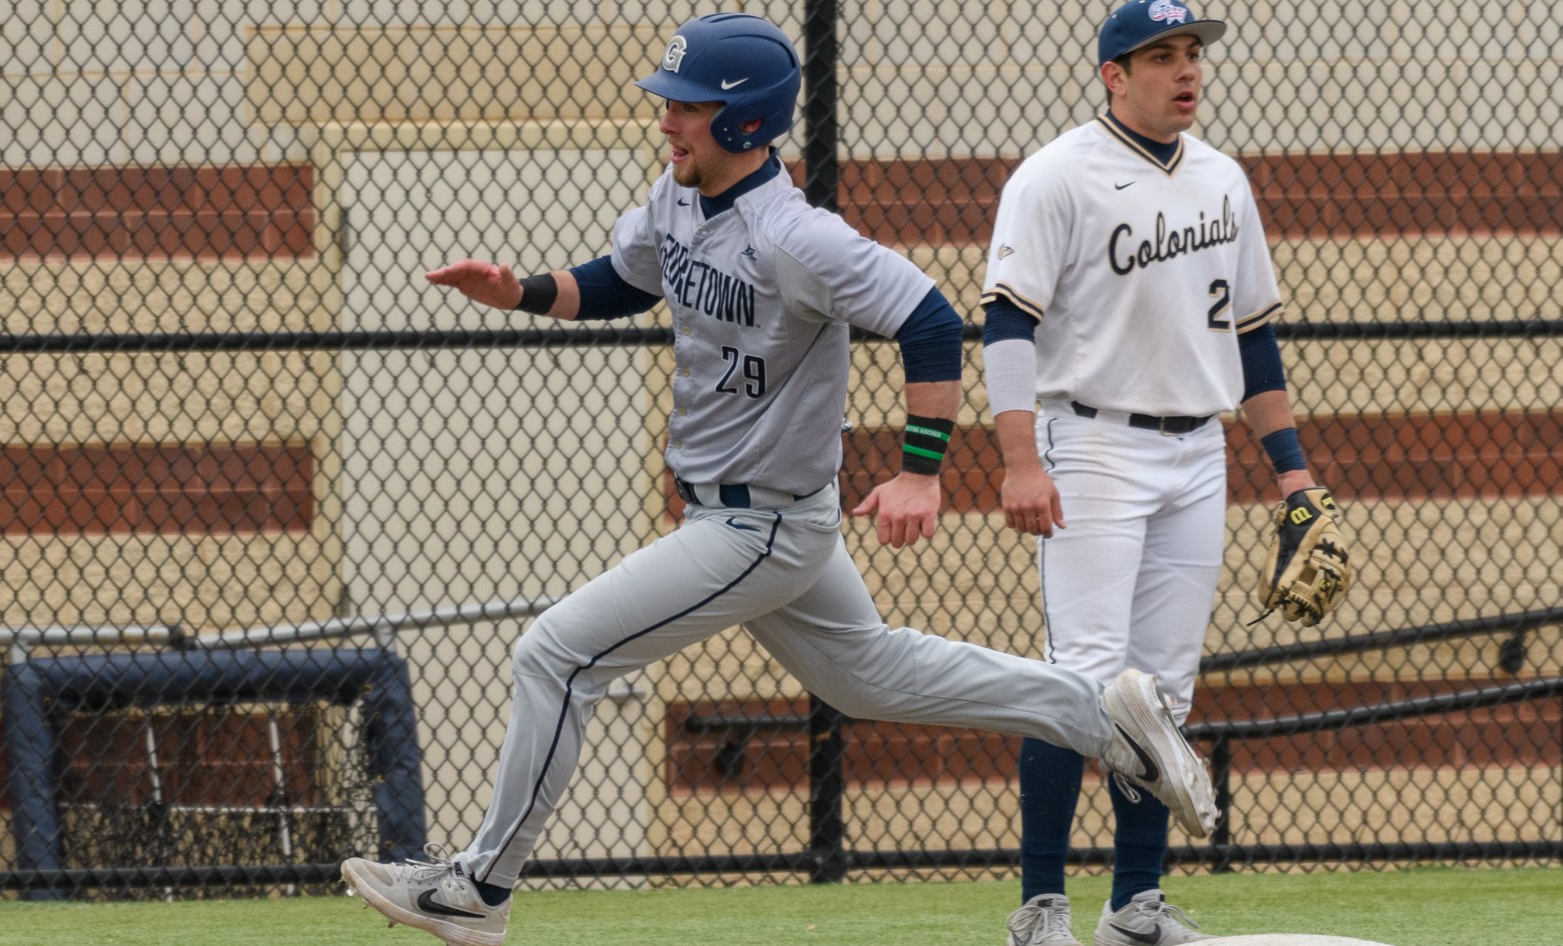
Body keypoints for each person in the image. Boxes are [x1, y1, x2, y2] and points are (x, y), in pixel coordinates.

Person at [342, 14, 1214, 946]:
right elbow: (627, 279)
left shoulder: (798, 236)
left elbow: (927, 320)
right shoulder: (678, 198)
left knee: (555, 655)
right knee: (873, 675)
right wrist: (519, 292)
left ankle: (481, 887)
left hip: (757, 528)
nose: (667, 121)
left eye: (687, 108)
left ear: (746, 123)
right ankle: (1111, 721)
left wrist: (923, 474)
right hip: (752, 521)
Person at [979, 3, 1326, 945]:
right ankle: (1039, 907)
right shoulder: (1056, 176)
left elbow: (1251, 336)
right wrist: (1017, 458)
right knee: (1081, 680)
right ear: (1111, 74)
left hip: (1197, 451)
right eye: (1161, 56)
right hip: (1090, 441)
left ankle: (1134, 905)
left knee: (1163, 691)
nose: (1185, 71)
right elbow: (1006, 321)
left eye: (1191, 55)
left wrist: (1292, 476)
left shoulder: (1222, 178)